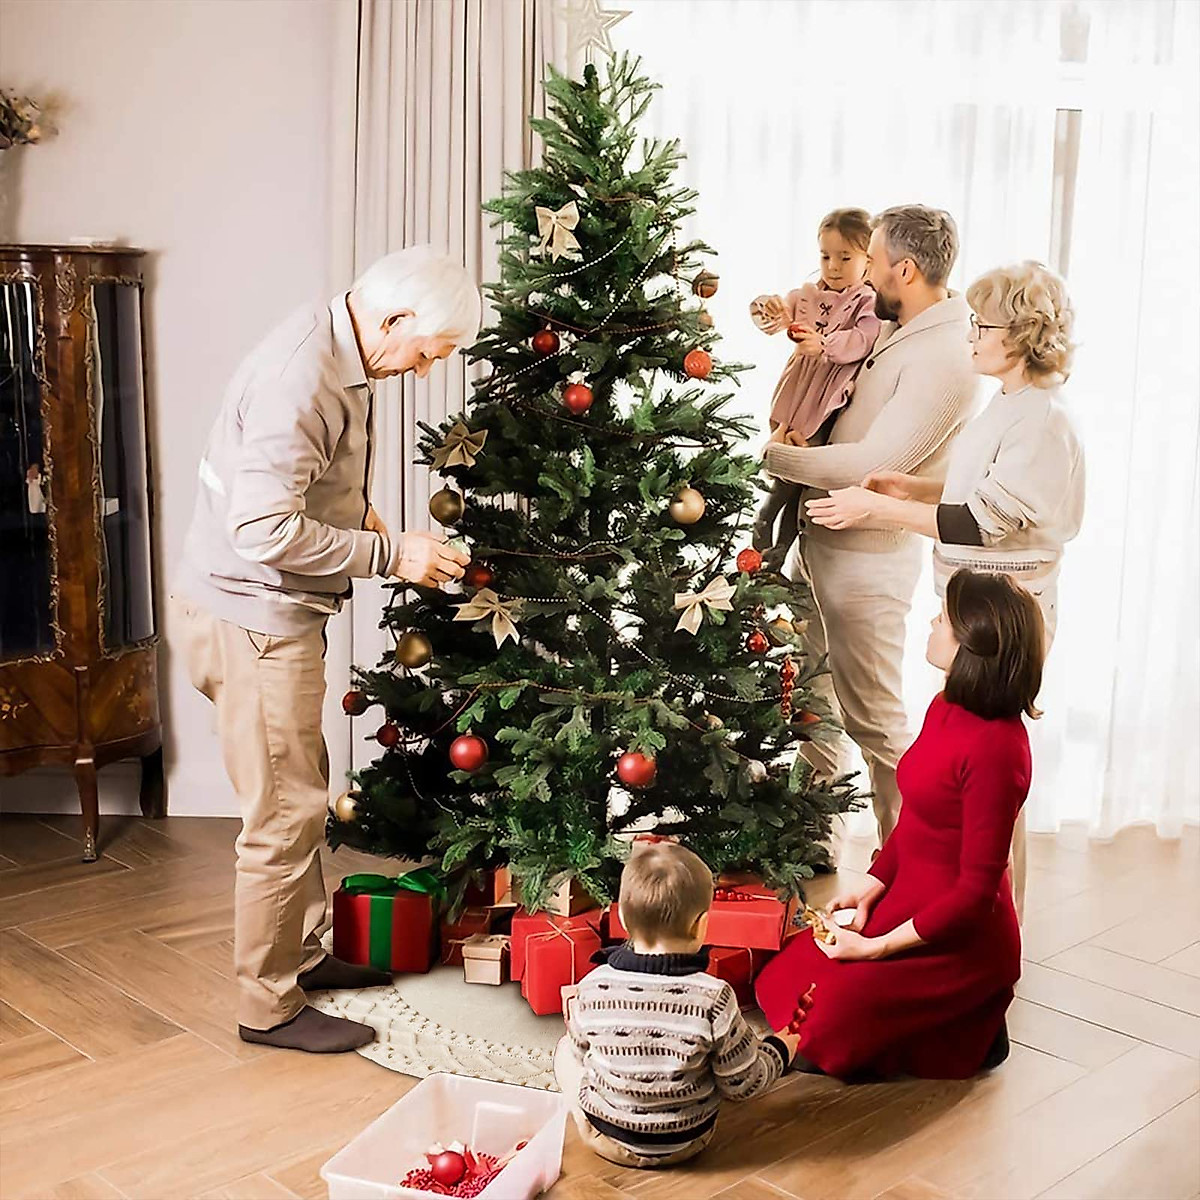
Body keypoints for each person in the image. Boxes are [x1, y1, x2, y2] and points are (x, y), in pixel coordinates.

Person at [171, 246, 479, 1053]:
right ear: (394, 320)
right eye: (423, 352)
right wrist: (390, 556)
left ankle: (301, 960)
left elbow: (301, 478)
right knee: (282, 814)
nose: (420, 370)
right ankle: (267, 1006)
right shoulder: (302, 376)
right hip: (253, 621)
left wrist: (365, 518)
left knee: (299, 792)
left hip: (258, 612)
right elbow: (262, 528)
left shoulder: (339, 344)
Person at [804, 260, 1084, 911]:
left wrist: (875, 510)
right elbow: (976, 492)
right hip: (975, 602)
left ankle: (992, 911)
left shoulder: (1042, 420)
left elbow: (981, 522)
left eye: (983, 326)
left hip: (1008, 614)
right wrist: (914, 488)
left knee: (990, 769)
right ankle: (959, 898)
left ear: (1019, 334)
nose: (972, 337)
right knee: (968, 760)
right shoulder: (1008, 404)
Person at [755, 570, 1044, 1080]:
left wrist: (876, 948)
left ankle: (972, 1027)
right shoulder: (946, 704)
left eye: (946, 619)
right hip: (909, 894)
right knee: (782, 980)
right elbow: (916, 815)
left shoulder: (999, 751)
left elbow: (975, 894)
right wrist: (871, 885)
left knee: (825, 1027)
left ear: (972, 645)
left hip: (957, 931)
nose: (933, 622)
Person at [762, 205, 978, 845]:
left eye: (874, 263)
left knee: (876, 721)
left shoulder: (944, 356)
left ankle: (909, 865)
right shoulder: (895, 326)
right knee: (814, 702)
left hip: (868, 564)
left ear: (903, 270)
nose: (860, 277)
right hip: (823, 542)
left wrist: (773, 453)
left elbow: (873, 462)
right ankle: (811, 840)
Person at [555, 842, 799, 1169]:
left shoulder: (593, 986)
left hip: (605, 1138)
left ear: (624, 918)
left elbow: (582, 1054)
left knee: (563, 1050)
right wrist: (780, 1049)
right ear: (701, 924)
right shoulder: (714, 996)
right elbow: (743, 1084)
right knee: (725, 1058)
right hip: (688, 1141)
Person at [749, 207, 882, 570]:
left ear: (868, 260)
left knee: (799, 479)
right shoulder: (808, 294)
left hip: (824, 401)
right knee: (781, 462)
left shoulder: (866, 301)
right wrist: (769, 308)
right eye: (825, 256)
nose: (833, 267)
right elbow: (778, 317)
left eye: (844, 257)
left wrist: (823, 345)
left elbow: (863, 339)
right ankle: (764, 536)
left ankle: (774, 545)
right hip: (796, 393)